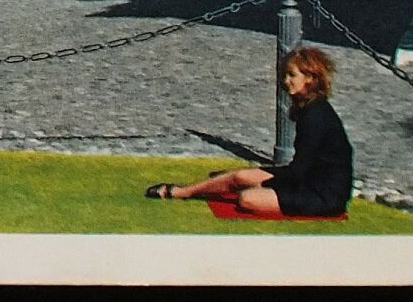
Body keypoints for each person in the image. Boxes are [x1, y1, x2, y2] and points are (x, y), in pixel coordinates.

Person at [145, 46, 353, 217]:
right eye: (285, 75)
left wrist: (264, 183)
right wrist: (254, 178)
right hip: (307, 179)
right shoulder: (308, 107)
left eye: (292, 75)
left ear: (309, 78)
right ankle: (182, 192)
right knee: (241, 176)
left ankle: (205, 190)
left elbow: (299, 171)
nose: (285, 81)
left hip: (324, 194)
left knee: (248, 198)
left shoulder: (315, 115)